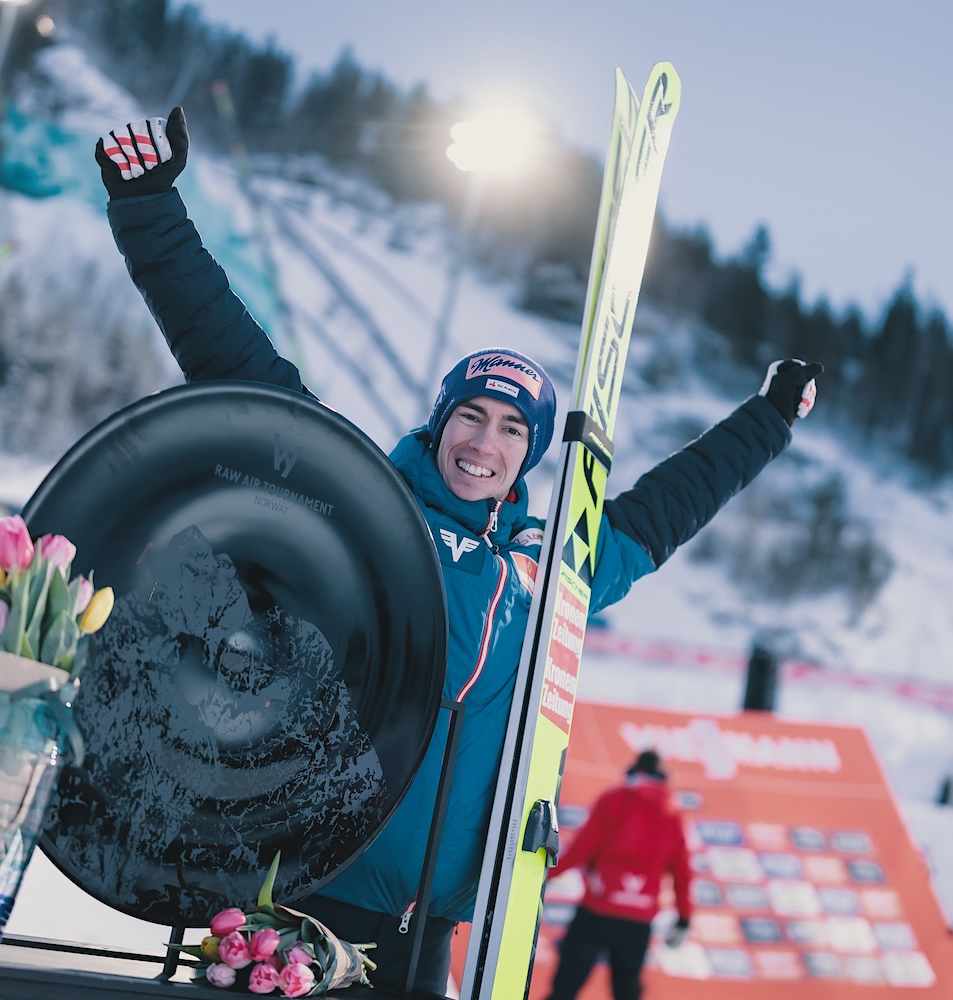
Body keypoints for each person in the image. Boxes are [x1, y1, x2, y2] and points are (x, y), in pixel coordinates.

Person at [95, 108, 821, 995]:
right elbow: (239, 367)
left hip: (426, 926)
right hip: (303, 893)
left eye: (513, 429)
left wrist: (769, 421)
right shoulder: (363, 503)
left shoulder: (543, 572)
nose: (486, 441)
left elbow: (665, 511)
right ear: (441, 423)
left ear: (532, 453)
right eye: (471, 415)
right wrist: (147, 205)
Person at [545, 750, 692, 1000]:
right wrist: (684, 917)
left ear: (634, 772)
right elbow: (682, 871)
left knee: (564, 990)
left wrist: (541, 877)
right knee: (627, 992)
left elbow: (582, 848)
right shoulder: (673, 812)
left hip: (597, 911)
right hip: (638, 919)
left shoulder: (614, 799)